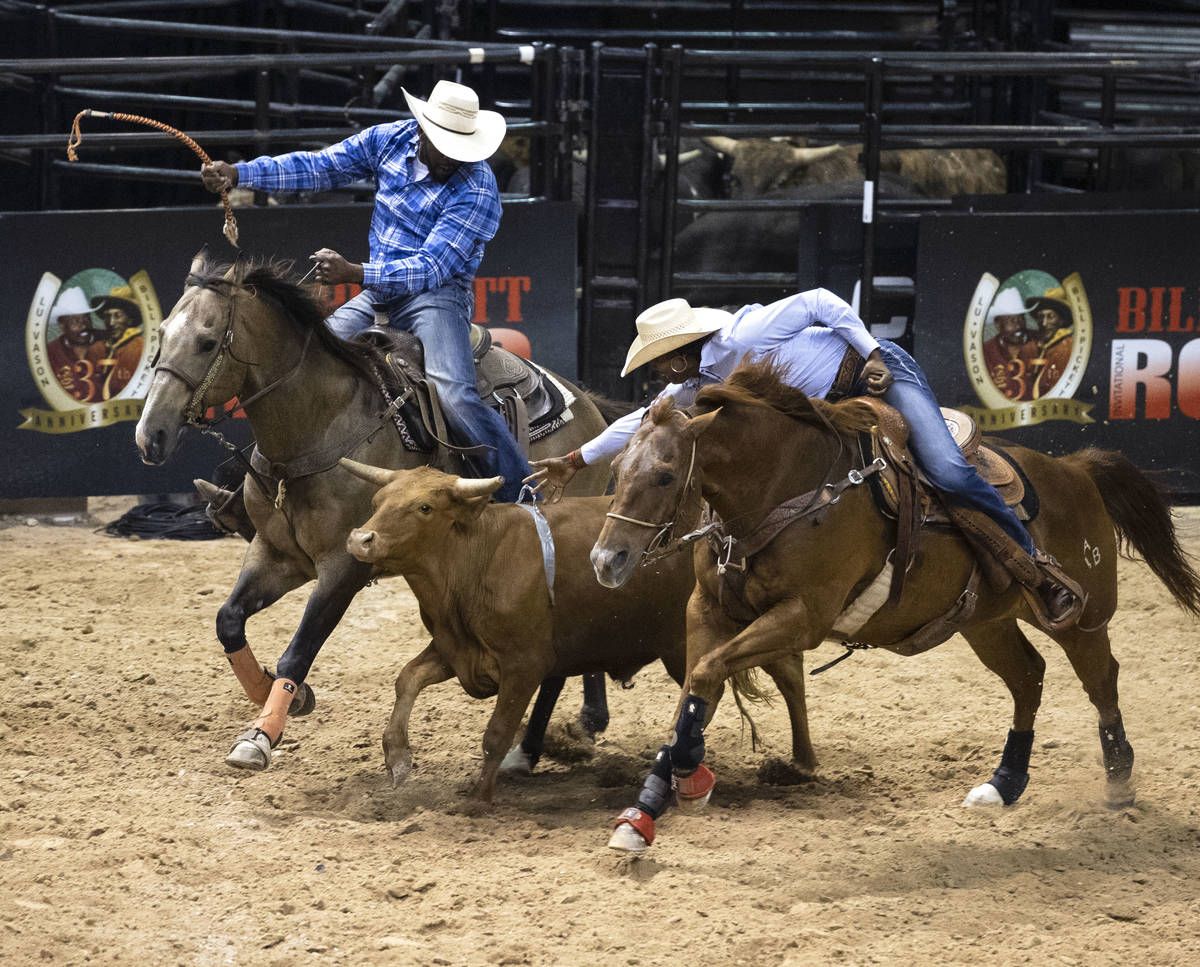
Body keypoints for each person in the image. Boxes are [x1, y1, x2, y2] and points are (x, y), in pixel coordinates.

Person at [526, 290, 1080, 627]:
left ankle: (1038, 570)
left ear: (678, 352)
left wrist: (874, 353)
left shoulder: (746, 333)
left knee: (950, 469)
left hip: (875, 375)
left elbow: (821, 301)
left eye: (660, 361)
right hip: (830, 409)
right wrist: (575, 458)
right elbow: (643, 421)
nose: (659, 372)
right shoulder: (699, 382)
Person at [201, 80, 533, 501]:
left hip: (437, 297)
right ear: (424, 131)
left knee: (454, 393)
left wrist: (356, 272)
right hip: (378, 292)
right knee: (306, 363)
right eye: (446, 144)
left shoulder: (477, 188)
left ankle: (521, 495)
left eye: (460, 148)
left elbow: (432, 268)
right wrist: (240, 173)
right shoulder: (389, 140)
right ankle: (274, 487)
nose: (452, 156)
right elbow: (321, 166)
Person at [46, 286, 103, 403]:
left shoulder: (109, 344)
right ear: (62, 326)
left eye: (86, 318)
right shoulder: (49, 354)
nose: (84, 325)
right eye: (76, 321)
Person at [981, 287, 1038, 402]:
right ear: (998, 325)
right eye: (1011, 321)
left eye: (1020, 319)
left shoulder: (1041, 342)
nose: (1018, 326)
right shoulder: (985, 352)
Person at [89, 286, 145, 399]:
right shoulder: (96, 349)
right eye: (107, 316)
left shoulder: (141, 348)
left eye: (117, 316)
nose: (111, 322)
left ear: (129, 319)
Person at [1025, 288, 1075, 398]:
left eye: (1050, 316)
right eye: (1040, 316)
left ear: (1061, 320)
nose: (1044, 323)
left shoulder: (1068, 349)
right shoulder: (1033, 346)